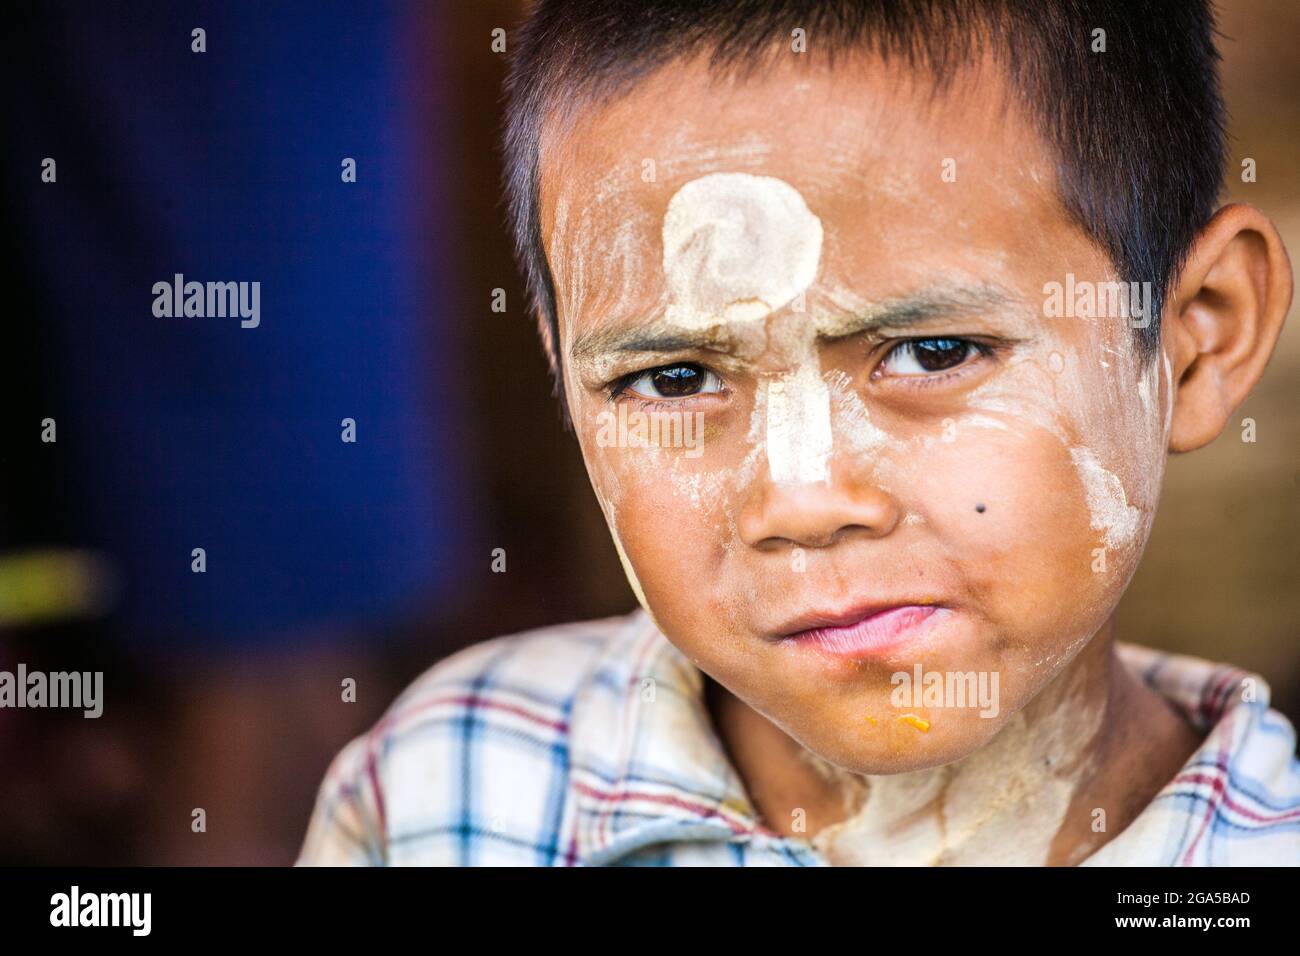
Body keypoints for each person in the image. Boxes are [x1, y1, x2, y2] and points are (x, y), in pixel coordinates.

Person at [299, 0, 1298, 866]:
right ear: (563, 376)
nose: (805, 500)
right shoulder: (445, 793)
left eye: (932, 352)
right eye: (676, 377)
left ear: (1196, 339)